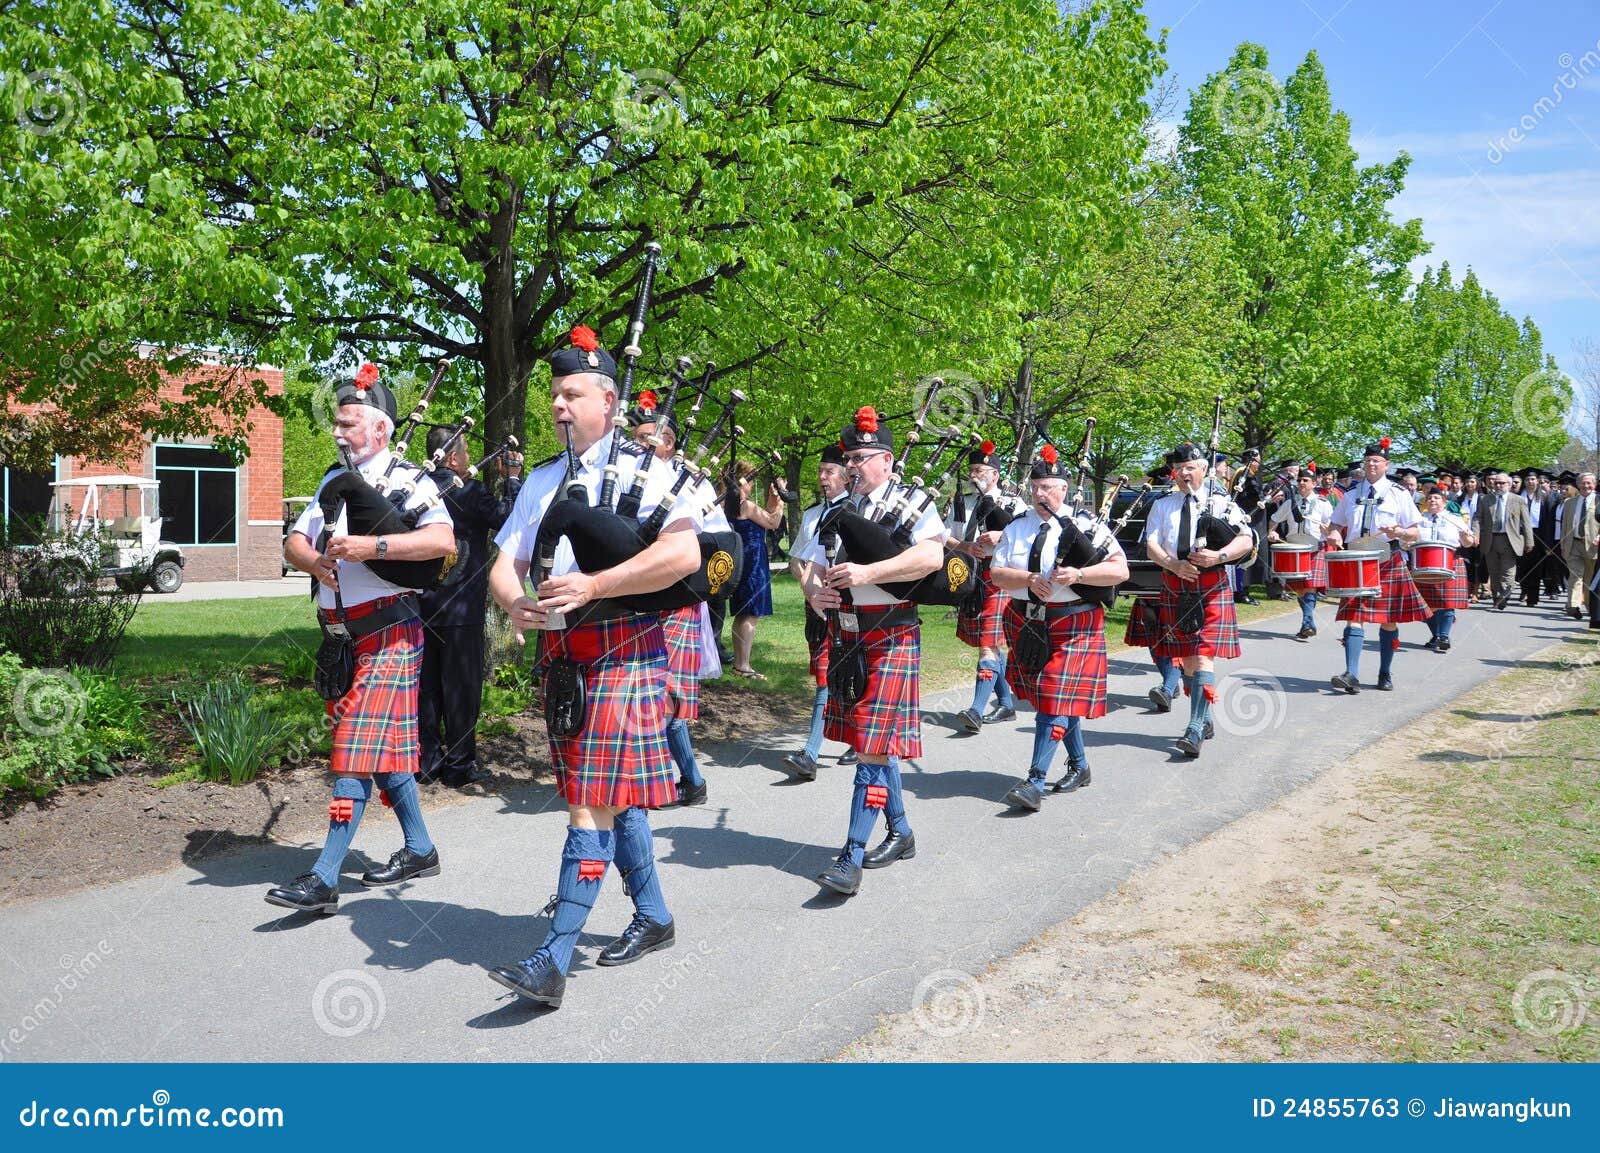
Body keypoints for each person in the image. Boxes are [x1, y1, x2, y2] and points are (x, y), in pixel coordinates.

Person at [484, 327, 707, 1009]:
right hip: (563, 654)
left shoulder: (652, 471)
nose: (557, 404)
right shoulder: (543, 482)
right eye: (553, 393)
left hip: (624, 646)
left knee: (590, 800)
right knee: (614, 794)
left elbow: (685, 558)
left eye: (571, 392)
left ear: (606, 401)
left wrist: (595, 586)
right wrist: (515, 602)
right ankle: (656, 916)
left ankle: (552, 959)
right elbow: (504, 562)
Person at [267, 364, 455, 915]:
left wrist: (371, 549)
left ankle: (325, 878)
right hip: (340, 639)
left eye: (348, 423)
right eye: (338, 422)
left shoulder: (410, 481)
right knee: (383, 750)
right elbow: (292, 543)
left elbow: (441, 542)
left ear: (379, 429)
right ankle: (420, 847)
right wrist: (316, 561)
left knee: (352, 745)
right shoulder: (331, 479)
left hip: (390, 632)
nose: (337, 431)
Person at [800, 406, 945, 897]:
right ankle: (900, 832)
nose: (853, 466)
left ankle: (851, 857)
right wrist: (817, 593)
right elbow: (817, 568)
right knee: (875, 743)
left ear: (886, 460)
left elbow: (930, 556)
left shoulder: (913, 503)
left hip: (891, 631)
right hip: (846, 634)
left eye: (862, 458)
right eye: (849, 459)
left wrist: (867, 574)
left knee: (871, 746)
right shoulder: (837, 510)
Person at [990, 444, 1128, 811]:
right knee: (1055, 698)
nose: (1039, 493)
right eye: (1034, 486)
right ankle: (1080, 765)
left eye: (1047, 487)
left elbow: (1120, 570)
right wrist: (1029, 577)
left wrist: (1080, 573)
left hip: (1075, 620)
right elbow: (997, 573)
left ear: (1063, 489)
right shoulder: (1018, 527)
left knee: (1052, 697)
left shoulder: (1085, 526)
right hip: (1029, 621)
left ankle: (1034, 781)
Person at [417, 426, 522, 788]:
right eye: (463, 452)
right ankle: (459, 766)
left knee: (426, 687)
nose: (467, 459)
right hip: (461, 607)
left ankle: (427, 762)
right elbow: (510, 518)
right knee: (461, 689)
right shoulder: (472, 493)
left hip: (421, 604)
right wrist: (512, 478)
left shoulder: (414, 488)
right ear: (453, 457)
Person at [1142, 441, 1254, 758]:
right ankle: (1205, 718)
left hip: (1211, 584)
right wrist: (1172, 563)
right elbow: (1151, 545)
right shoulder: (1162, 506)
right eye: (1178, 469)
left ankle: (1193, 729)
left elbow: (1245, 540)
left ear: (1203, 469)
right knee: (1189, 660)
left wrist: (1218, 555)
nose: (1182, 474)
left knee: (1203, 654)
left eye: (1189, 467)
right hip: (1177, 582)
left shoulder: (1222, 503)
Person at [629, 399, 716, 806]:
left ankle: (677, 780)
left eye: (647, 439)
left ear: (668, 440)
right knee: (641, 693)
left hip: (679, 601)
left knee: (668, 697)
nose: (640, 447)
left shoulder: (695, 484)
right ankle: (685, 779)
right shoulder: (628, 479)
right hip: (637, 600)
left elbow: (719, 549)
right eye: (635, 439)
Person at [1324, 439, 1426, 694]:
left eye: (1376, 460)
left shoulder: (1398, 494)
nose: (1371, 464)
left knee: (1388, 621)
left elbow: (1416, 532)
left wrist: (1401, 531)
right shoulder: (1350, 496)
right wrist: (1334, 534)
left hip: (1387, 560)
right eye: (1368, 460)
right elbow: (1336, 524)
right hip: (1356, 561)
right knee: (1353, 617)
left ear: (1386, 465)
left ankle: (1385, 672)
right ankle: (1352, 674)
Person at [948, 439, 1028, 732]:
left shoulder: (1013, 503)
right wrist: (966, 546)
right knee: (992, 644)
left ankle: (976, 710)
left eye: (979, 470)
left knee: (987, 645)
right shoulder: (961, 502)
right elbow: (947, 537)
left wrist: (1001, 537)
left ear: (994, 474)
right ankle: (1006, 704)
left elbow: (1029, 539)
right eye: (970, 470)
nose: (972, 475)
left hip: (1001, 576)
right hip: (971, 578)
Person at [784, 443, 852, 781]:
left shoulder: (853, 513)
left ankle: (811, 753)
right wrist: (812, 594)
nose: (822, 477)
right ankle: (855, 734)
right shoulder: (813, 515)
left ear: (845, 477)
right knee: (828, 676)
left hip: (847, 607)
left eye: (829, 472)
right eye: (820, 471)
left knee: (833, 678)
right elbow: (799, 560)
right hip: (816, 607)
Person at [728, 460, 784, 679]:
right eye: (749, 481)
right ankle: (743, 665)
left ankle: (739, 663)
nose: (751, 486)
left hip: (742, 561)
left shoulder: (729, 505)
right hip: (753, 564)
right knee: (750, 614)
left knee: (743, 614)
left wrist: (773, 499)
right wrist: (781, 502)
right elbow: (773, 522)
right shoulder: (746, 505)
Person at [1267, 463, 1332, 641]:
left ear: (1313, 484)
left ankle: (1307, 622)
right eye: (1300, 480)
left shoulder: (1323, 504)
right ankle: (1308, 623)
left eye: (1306, 480)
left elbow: (1332, 527)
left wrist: (1328, 530)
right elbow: (1274, 520)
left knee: (1309, 586)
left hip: (1315, 548)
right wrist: (1272, 531)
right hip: (1294, 550)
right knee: (1300, 590)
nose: (1302, 483)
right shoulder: (1289, 503)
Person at [1415, 488, 1473, 652]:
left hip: (1451, 561)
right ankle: (1436, 635)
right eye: (1430, 498)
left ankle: (1443, 636)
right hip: (1423, 563)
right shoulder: (1418, 520)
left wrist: (1466, 536)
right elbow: (1408, 541)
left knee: (1447, 602)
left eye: (1437, 498)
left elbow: (1468, 543)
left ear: (1444, 502)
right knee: (1427, 604)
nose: (1433, 500)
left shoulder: (1455, 519)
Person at [1475, 472, 1534, 611]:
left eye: (1502, 483)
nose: (1499, 485)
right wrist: (1475, 535)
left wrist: (1529, 541)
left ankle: (1505, 593)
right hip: (1490, 540)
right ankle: (1497, 597)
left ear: (1509, 484)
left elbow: (1526, 522)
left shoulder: (1518, 500)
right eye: (1496, 483)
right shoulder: (1486, 499)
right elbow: (1478, 518)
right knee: (1494, 571)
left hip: (1510, 540)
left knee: (1508, 571)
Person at [1561, 472, 1598, 621]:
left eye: (1589, 483)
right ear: (1577, 485)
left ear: (1594, 485)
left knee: (1589, 579)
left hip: (1592, 546)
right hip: (1573, 544)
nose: (1585, 486)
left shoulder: (1599, 501)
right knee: (1575, 576)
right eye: (1582, 483)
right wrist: (1563, 545)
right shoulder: (1569, 503)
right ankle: (1573, 605)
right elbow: (1565, 526)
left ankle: (1589, 606)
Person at [1521, 468, 1558, 607]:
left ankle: (1532, 597)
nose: (1530, 482)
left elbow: (1549, 521)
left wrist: (1548, 542)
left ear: (1537, 481)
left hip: (1539, 535)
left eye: (1533, 479)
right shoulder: (1519, 496)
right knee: (1522, 566)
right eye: (1527, 479)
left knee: (1535, 568)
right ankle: (1524, 590)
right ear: (1524, 482)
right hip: (1521, 534)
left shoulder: (1545, 497)